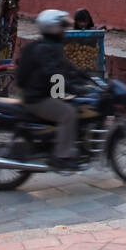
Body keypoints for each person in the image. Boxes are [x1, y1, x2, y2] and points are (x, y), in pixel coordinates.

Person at [15, 10, 91, 171]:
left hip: (40, 94)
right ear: (52, 27)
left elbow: (64, 67)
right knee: (68, 113)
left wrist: (83, 76)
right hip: (37, 98)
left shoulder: (49, 46)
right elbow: (53, 74)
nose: (64, 30)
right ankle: (61, 157)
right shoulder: (46, 49)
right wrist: (74, 89)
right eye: (61, 26)